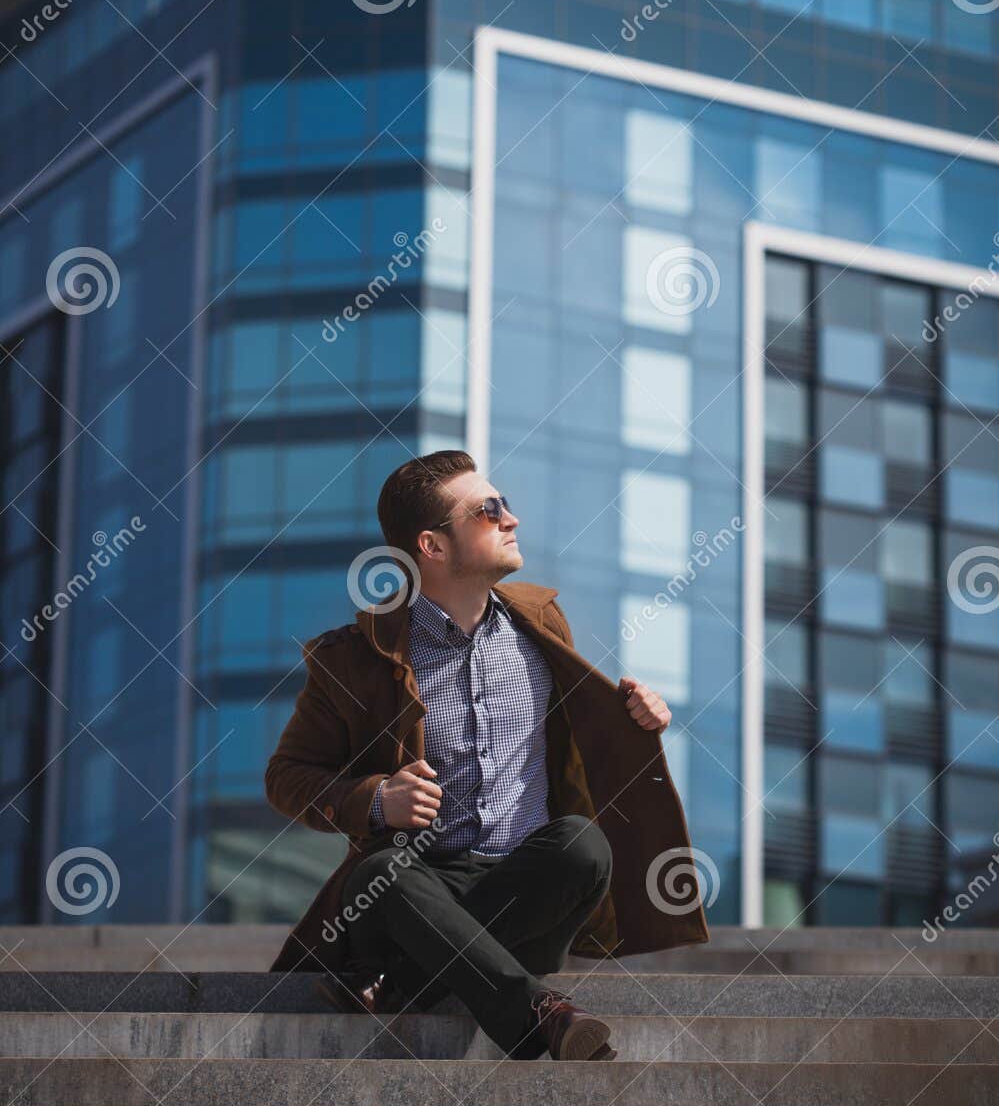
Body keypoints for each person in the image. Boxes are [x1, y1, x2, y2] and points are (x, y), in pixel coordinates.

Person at [265, 449, 708, 1061]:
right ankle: (542, 1010)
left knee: (582, 844)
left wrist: (638, 717)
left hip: (523, 896)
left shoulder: (543, 624)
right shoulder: (352, 658)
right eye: (488, 510)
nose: (511, 519)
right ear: (434, 546)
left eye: (505, 505)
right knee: (379, 875)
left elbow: (586, 739)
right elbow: (286, 778)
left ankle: (402, 987)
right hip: (416, 893)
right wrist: (374, 801)